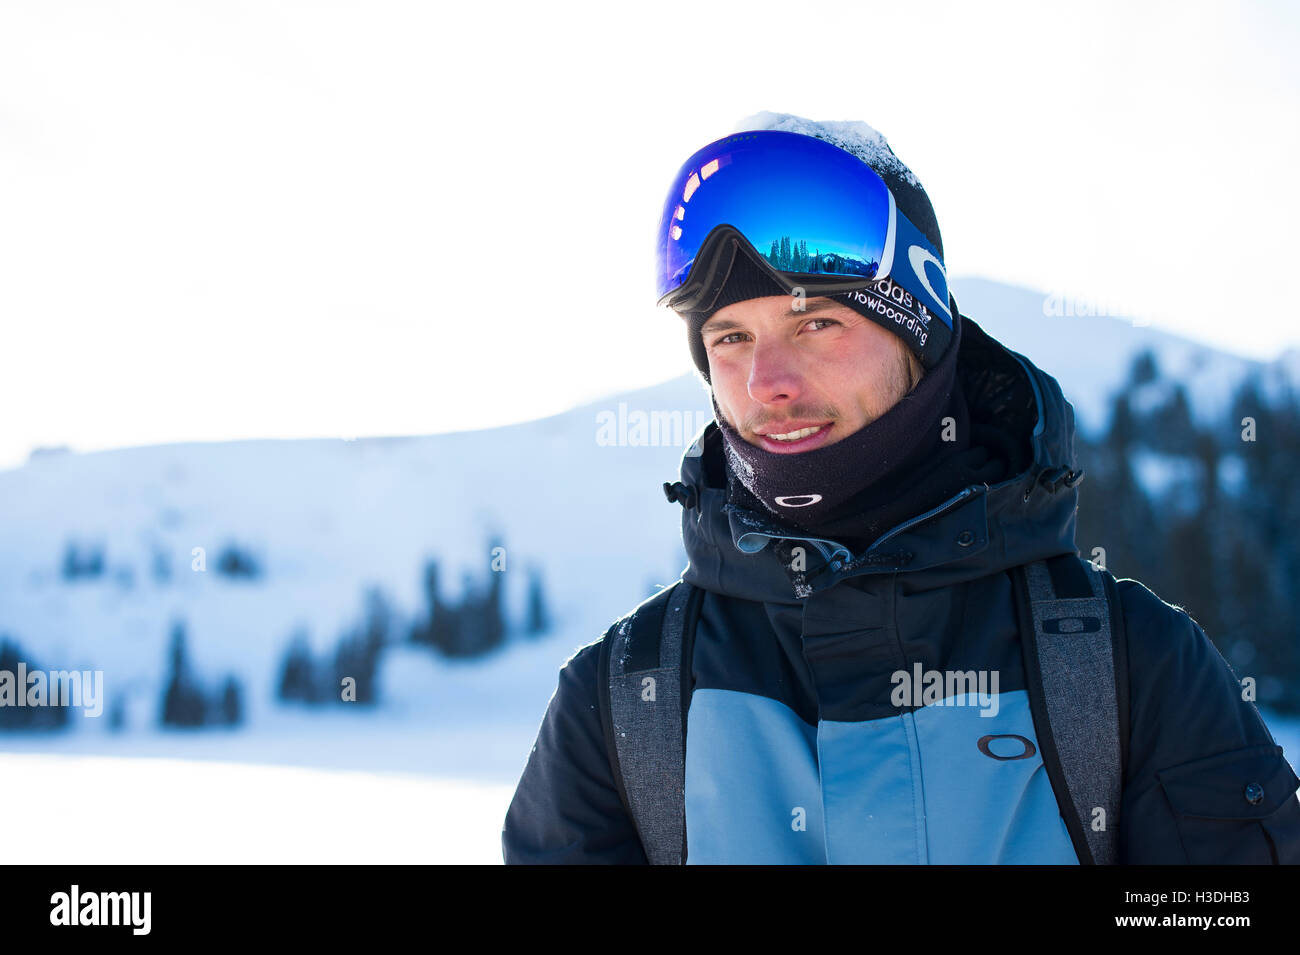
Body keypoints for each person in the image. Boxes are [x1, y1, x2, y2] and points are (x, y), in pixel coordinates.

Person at [501, 112, 1300, 864]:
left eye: (816, 324)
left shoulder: (1129, 669)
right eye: (731, 338)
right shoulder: (621, 703)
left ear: (918, 338)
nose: (765, 382)